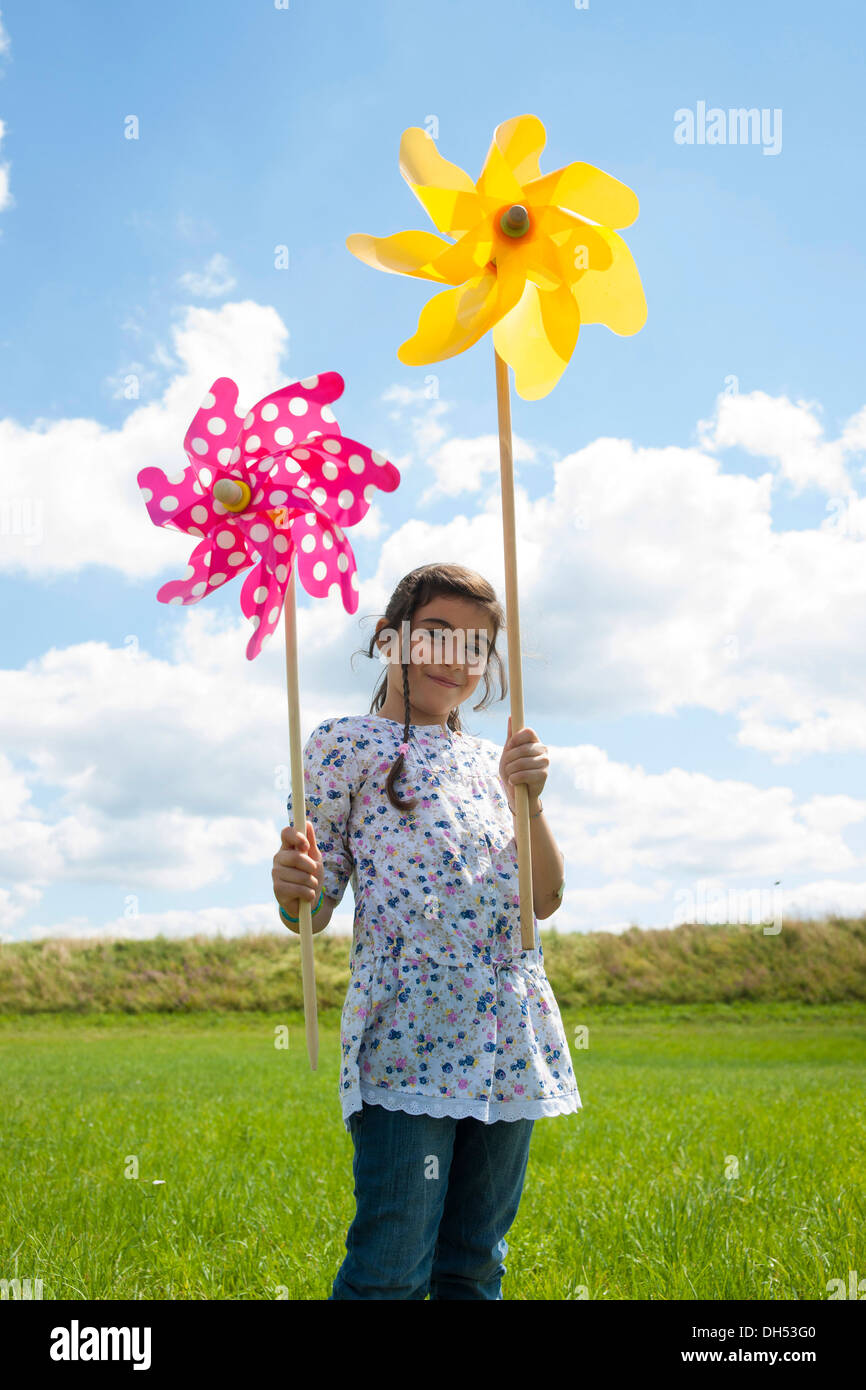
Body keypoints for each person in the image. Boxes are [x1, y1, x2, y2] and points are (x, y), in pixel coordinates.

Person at [272, 562, 581, 1299]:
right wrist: (294, 891)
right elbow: (311, 912)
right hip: (405, 1033)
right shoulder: (343, 744)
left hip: (507, 1028)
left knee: (476, 1257)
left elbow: (545, 898)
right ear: (390, 639)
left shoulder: (494, 761)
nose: (457, 658)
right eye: (436, 633)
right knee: (392, 1262)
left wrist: (528, 799)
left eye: (478, 645)